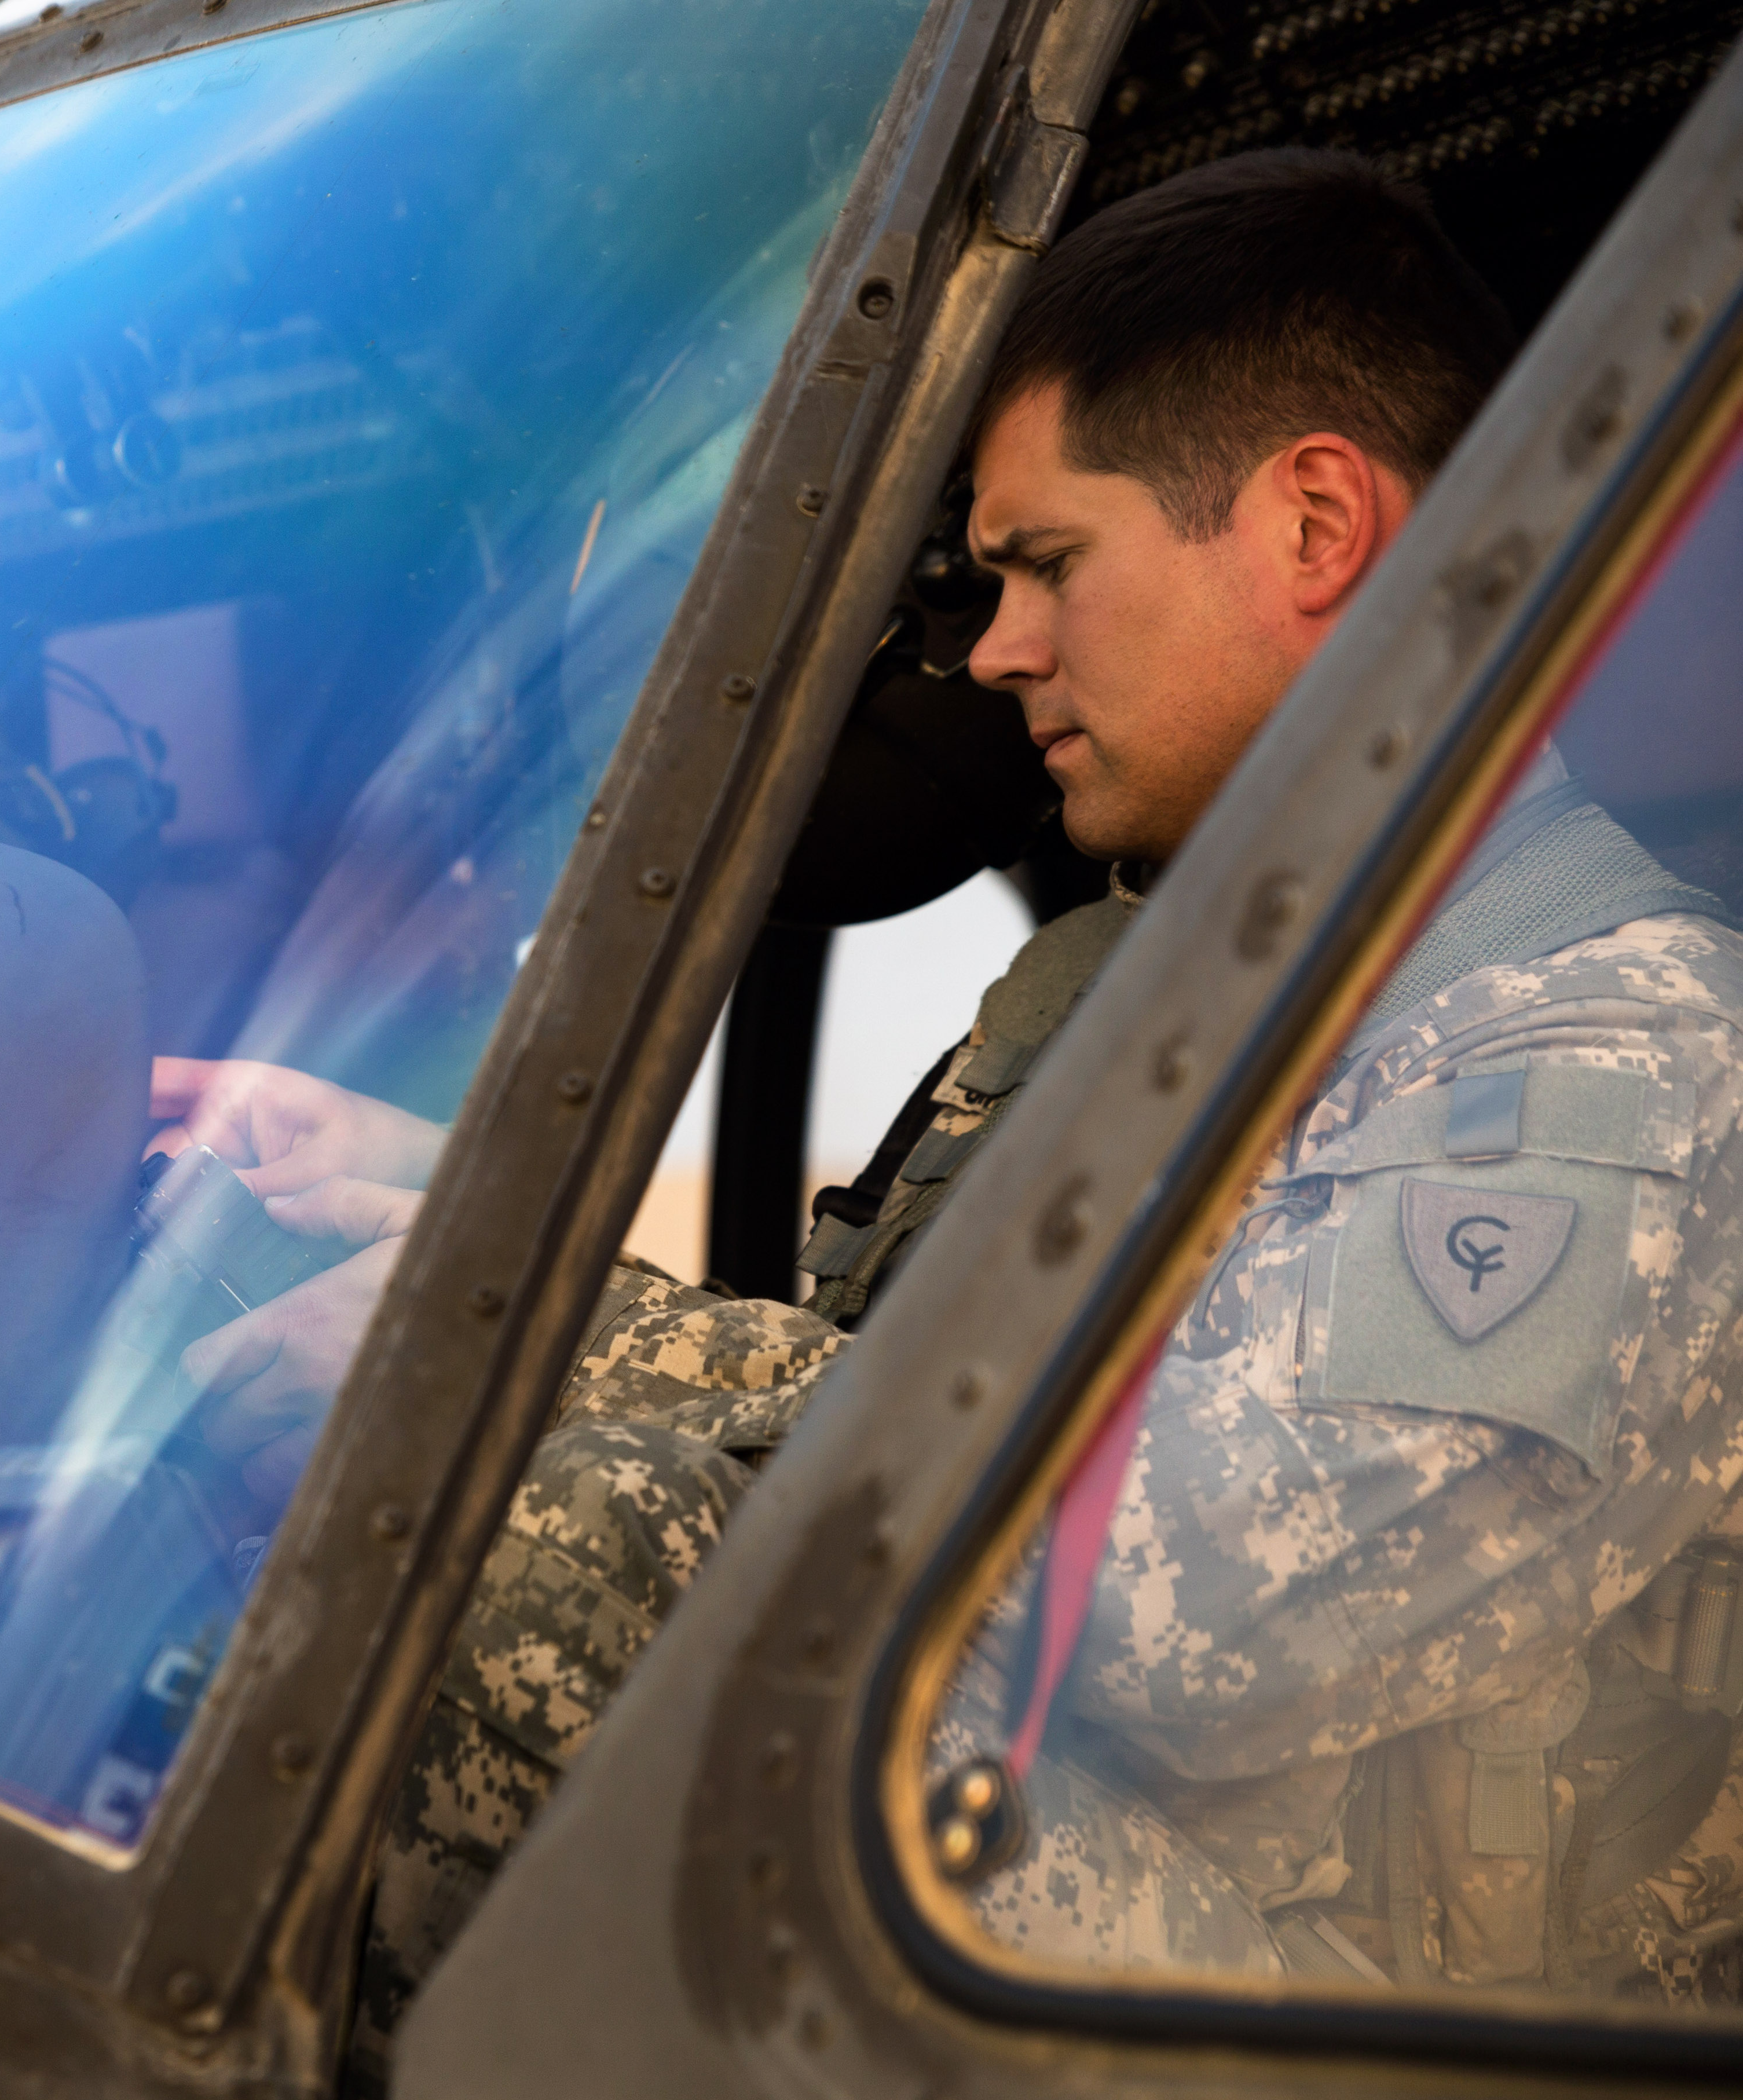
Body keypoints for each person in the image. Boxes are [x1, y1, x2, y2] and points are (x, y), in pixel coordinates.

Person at [127, 142, 1742, 2069]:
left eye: (1048, 565)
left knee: (578, 1567)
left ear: (1319, 525)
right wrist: (451, 1224)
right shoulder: (1160, 990)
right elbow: (879, 1395)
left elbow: (1167, 1611)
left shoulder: (1621, 1058)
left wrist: (527, 1351)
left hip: (1402, 2036)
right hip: (1131, 1912)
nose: (993, 652)